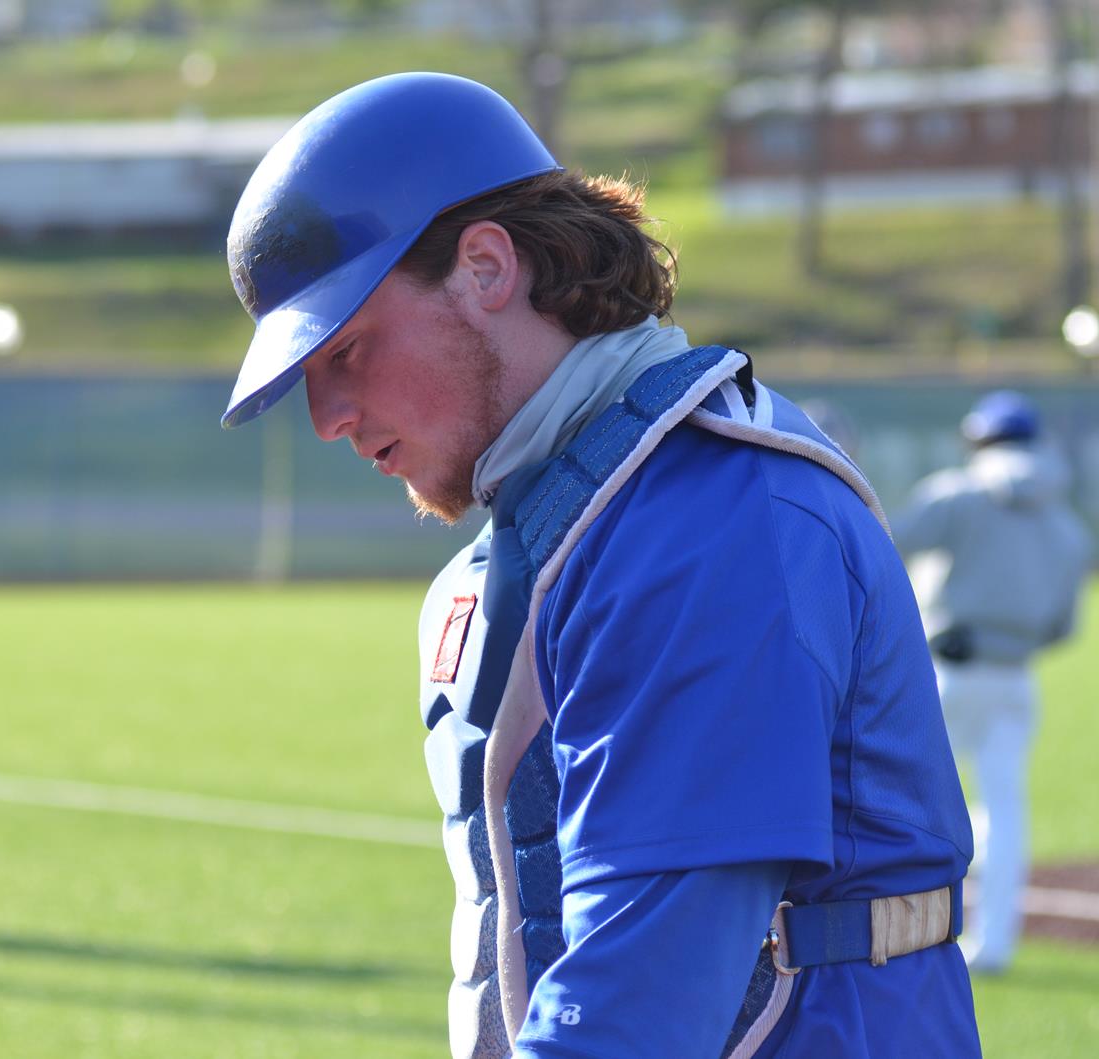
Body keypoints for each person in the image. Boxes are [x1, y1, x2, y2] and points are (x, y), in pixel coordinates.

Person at [220, 73, 979, 1058]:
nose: (326, 419)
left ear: (485, 268)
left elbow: (643, 995)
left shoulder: (710, 520)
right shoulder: (547, 535)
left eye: (347, 351)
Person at [892, 391, 1092, 975]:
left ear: (978, 440)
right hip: (1015, 679)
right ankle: (995, 946)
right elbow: (1063, 627)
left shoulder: (959, 492)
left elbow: (885, 541)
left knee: (905, 803)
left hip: (948, 672)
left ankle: (904, 937)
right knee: (1005, 811)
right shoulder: (1067, 525)